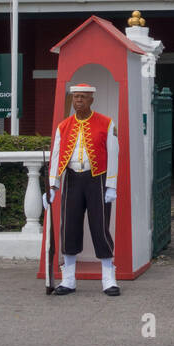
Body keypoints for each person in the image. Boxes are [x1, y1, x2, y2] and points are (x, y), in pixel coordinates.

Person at [48, 83, 120, 296]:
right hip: (72, 179)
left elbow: (113, 155)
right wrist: (53, 185)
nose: (78, 100)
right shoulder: (63, 126)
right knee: (69, 227)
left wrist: (111, 185)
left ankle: (108, 279)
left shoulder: (106, 123)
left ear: (91, 99)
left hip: (97, 179)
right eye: (76, 97)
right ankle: (69, 279)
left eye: (82, 97)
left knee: (100, 227)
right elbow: (56, 155)